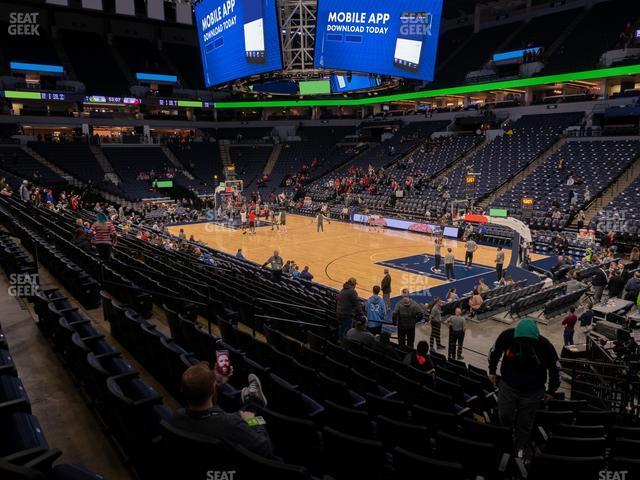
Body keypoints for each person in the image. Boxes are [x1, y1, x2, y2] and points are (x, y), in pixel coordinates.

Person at [168, 363, 274, 459]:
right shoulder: (232, 424)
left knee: (243, 410)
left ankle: (250, 400)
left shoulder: (177, 416)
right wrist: (253, 422)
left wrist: (217, 383)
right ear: (213, 390)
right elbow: (266, 449)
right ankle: (255, 402)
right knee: (257, 416)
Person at [488, 319, 560, 455]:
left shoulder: (545, 345)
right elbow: (495, 351)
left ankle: (518, 448)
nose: (525, 343)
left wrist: (552, 390)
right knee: (504, 415)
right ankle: (506, 439)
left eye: (528, 341)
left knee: (525, 423)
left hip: (533, 392)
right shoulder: (507, 336)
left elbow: (555, 369)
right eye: (522, 340)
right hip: (508, 386)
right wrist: (492, 370)